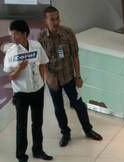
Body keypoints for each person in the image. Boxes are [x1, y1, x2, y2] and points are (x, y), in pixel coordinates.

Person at [39, 6, 102, 147]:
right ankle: (65, 133)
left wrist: (78, 77)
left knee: (79, 105)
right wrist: (48, 77)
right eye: (52, 19)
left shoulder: (68, 33)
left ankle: (88, 130)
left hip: (68, 77)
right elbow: (41, 61)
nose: (56, 22)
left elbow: (75, 57)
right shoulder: (41, 38)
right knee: (58, 108)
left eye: (57, 18)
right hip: (53, 80)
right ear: (46, 21)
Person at [4, 19, 52, 162]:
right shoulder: (12, 53)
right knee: (21, 126)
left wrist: (42, 81)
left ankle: (38, 150)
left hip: (37, 90)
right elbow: (10, 76)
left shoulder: (36, 47)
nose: (14, 37)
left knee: (37, 121)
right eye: (12, 34)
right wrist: (19, 69)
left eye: (17, 34)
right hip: (21, 93)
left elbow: (43, 62)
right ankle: (21, 157)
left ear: (25, 33)